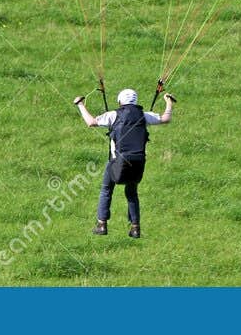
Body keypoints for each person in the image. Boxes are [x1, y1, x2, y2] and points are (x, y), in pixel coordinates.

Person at [73, 87, 174, 237]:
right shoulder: (143, 115)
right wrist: (169, 102)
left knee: (106, 189)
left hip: (118, 163)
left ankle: (102, 224)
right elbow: (165, 119)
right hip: (138, 164)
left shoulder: (113, 115)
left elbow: (91, 122)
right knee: (132, 193)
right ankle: (135, 228)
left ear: (120, 101)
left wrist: (80, 105)